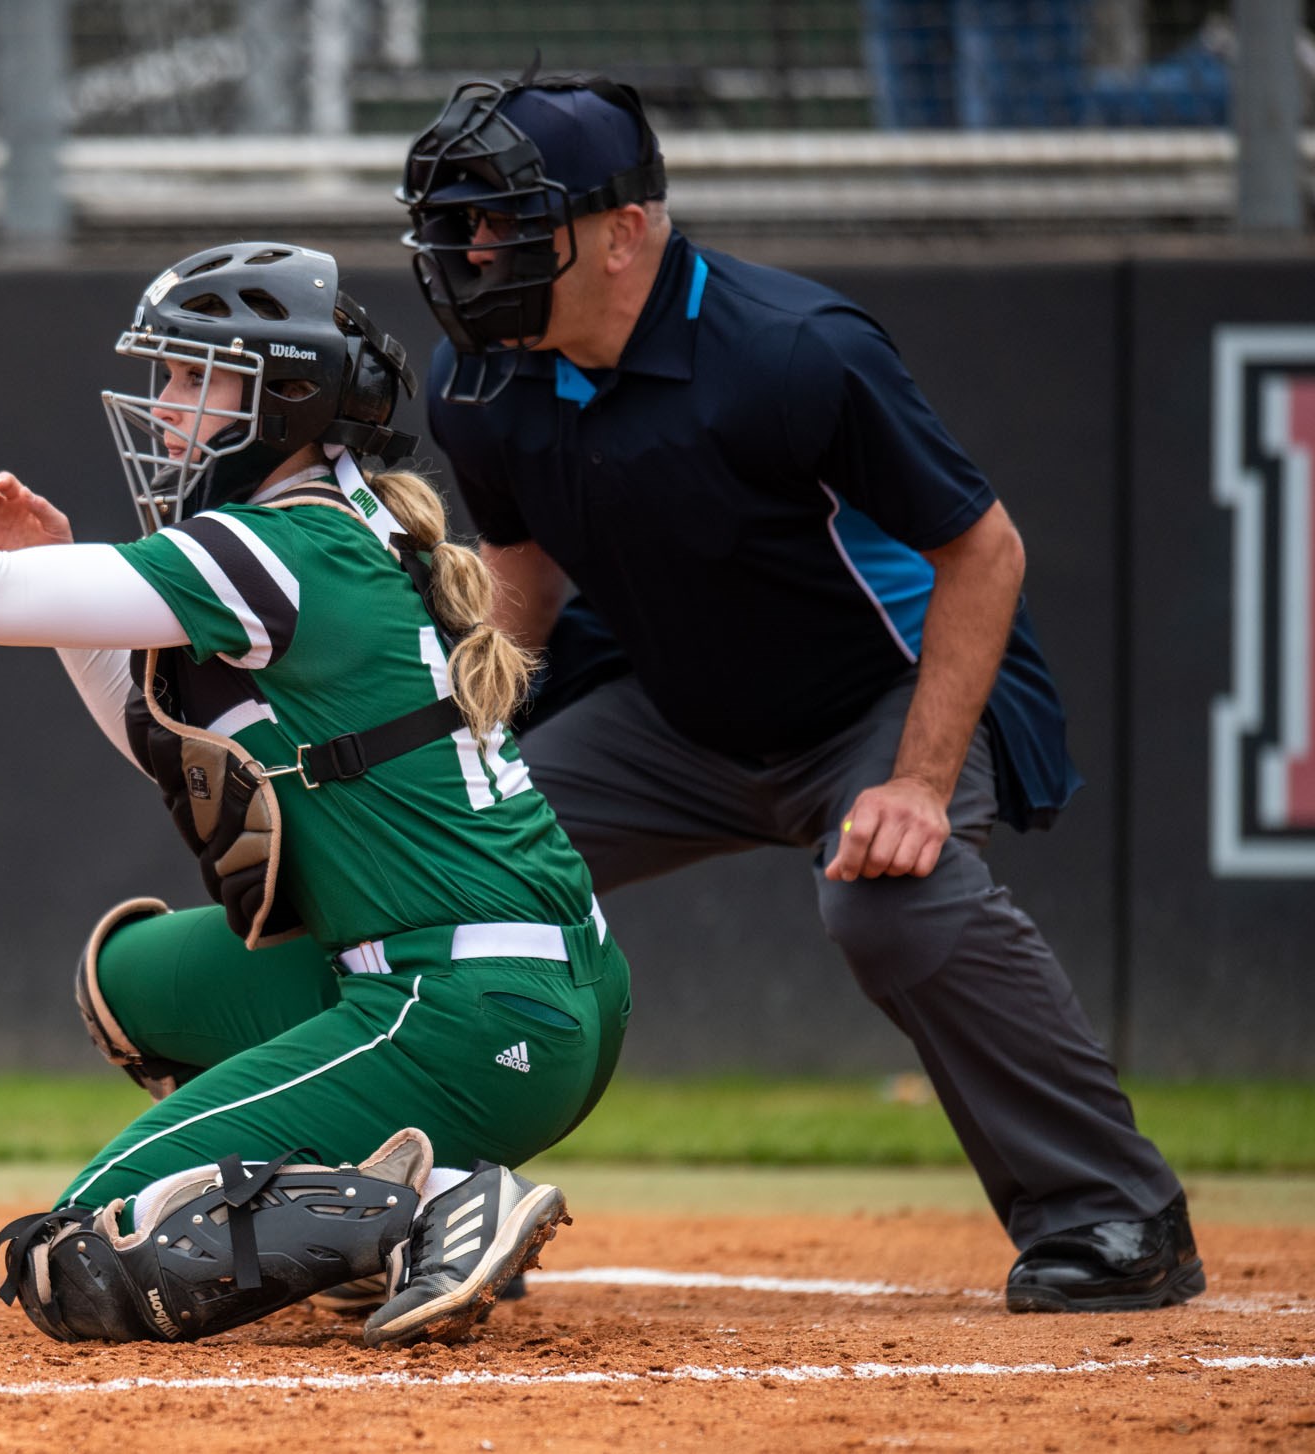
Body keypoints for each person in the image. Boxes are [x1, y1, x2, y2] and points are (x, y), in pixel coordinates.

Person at [389, 71, 1202, 1314]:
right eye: (465, 220)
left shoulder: (790, 351)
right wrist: (465, 750)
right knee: (446, 867)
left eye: (510, 220)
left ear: (626, 230)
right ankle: (402, 1201)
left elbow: (982, 552)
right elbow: (524, 577)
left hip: (873, 701)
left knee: (892, 910)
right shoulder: (481, 378)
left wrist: (920, 781)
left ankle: (1114, 1214)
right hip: (672, 712)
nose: (475, 250)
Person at [0, 240, 631, 1344]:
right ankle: (375, 1193)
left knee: (73, 1251)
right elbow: (179, 752)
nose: (166, 407)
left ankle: (429, 1203)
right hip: (550, 989)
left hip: (466, 1010)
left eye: (196, 377)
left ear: (290, 398)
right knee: (128, 984)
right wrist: (65, 597)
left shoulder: (274, 543)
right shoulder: (354, 527)